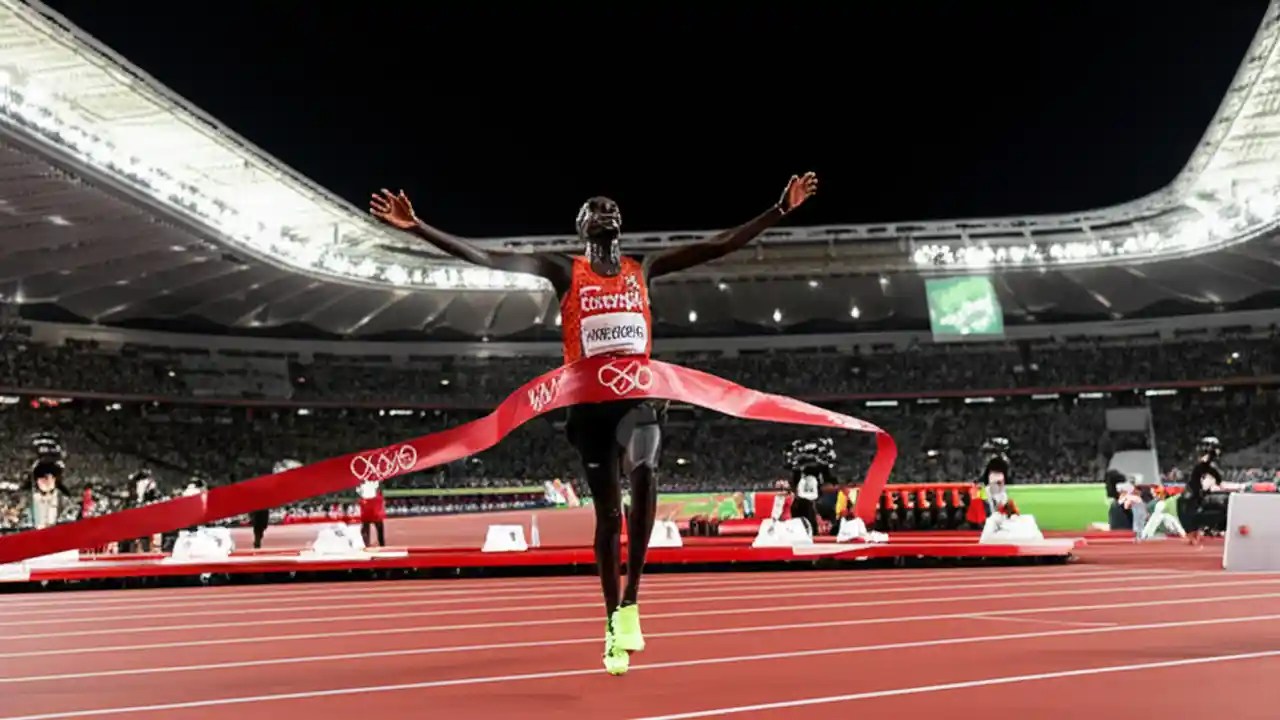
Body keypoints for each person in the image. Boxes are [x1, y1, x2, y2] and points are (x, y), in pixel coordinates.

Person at [371, 172, 818, 675]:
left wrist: (778, 209)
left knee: (647, 468)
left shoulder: (642, 268)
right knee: (608, 518)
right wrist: (420, 228)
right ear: (582, 225)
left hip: (636, 402)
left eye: (612, 205)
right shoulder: (564, 272)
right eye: (594, 206)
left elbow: (717, 245)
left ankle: (631, 601)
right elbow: (491, 258)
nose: (606, 209)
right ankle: (611, 624)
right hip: (587, 411)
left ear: (619, 223)